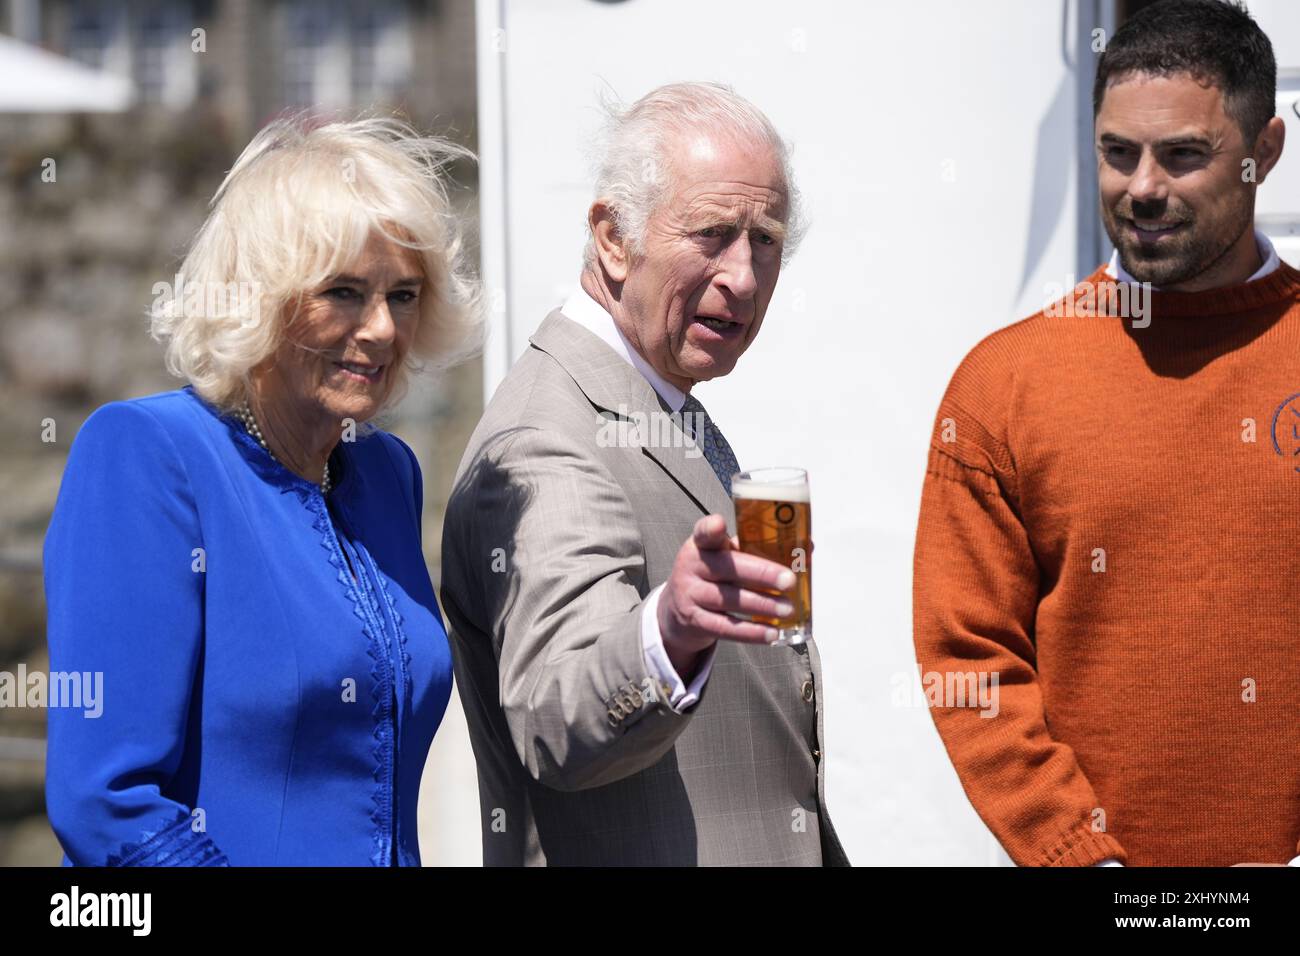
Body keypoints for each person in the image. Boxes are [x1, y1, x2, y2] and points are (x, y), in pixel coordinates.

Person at [913, 0, 1300, 866]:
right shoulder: (1005, 385)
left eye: (1184, 155)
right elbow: (967, 656)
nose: (1143, 187)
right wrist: (1078, 859)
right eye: (1116, 152)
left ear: (1263, 153)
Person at [43, 115, 482, 865]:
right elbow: (107, 805)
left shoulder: (387, 474)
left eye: (403, 296)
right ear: (259, 297)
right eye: (342, 292)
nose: (380, 328)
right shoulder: (149, 455)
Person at [441, 82, 848, 865]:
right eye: (713, 233)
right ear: (614, 239)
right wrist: (668, 631)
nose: (744, 276)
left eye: (765, 239)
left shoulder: (650, 397)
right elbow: (557, 719)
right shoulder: (546, 436)